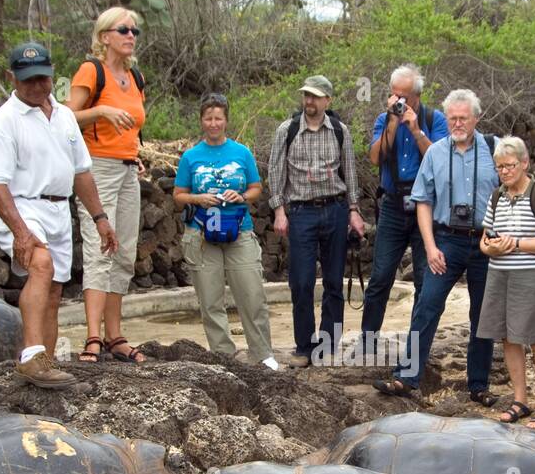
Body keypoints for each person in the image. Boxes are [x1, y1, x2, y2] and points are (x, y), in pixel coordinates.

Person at [0, 42, 117, 389]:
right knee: (40, 264)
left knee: (55, 289)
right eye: (28, 80)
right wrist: (20, 231)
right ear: (11, 77)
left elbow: (82, 172)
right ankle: (32, 356)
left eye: (43, 78)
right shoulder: (3, 123)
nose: (37, 86)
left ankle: (47, 365)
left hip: (58, 206)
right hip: (21, 203)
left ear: (53, 75)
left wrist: (100, 217)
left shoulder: (65, 116)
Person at [374, 89, 499, 405]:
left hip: (486, 241)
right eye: (453, 118)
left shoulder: (494, 149)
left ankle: (479, 384)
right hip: (446, 239)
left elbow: (511, 192)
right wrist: (430, 247)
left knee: (482, 315)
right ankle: (407, 377)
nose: (457, 123)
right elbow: (423, 202)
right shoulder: (434, 152)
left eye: (463, 118)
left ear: (476, 118)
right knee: (427, 305)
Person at [66, 7, 148, 363]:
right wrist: (99, 112)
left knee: (124, 252)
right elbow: (65, 117)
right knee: (101, 247)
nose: (131, 35)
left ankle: (116, 336)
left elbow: (132, 125)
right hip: (96, 168)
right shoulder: (91, 71)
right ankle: (93, 338)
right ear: (104, 37)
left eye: (135, 31)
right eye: (123, 29)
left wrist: (136, 152)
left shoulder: (137, 77)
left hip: (129, 169)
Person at [266, 75, 366, 367]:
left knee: (334, 280)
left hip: (334, 209)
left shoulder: (339, 130)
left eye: (315, 96)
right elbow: (275, 171)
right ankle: (304, 345)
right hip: (301, 213)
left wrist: (354, 210)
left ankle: (329, 343)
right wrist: (279, 210)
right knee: (301, 281)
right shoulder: (288, 129)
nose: (309, 101)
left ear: (327, 100)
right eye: (306, 95)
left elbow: (349, 172)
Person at [173, 93, 278, 370]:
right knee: (210, 300)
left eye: (218, 118)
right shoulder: (191, 156)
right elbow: (178, 194)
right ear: (201, 121)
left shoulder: (241, 153)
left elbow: (256, 189)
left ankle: (262, 354)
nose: (213, 123)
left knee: (252, 295)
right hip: (202, 232)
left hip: (238, 229)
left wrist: (241, 195)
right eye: (208, 118)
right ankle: (223, 356)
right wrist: (198, 199)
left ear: (226, 121)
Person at [477, 137, 535, 431]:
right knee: (508, 337)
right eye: (500, 167)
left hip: (531, 274)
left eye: (510, 165)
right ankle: (520, 399)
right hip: (500, 272)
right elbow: (485, 240)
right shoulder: (497, 197)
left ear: (525, 163)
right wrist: (492, 248)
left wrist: (517, 244)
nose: (504, 171)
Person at [360, 64, 448, 344]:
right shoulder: (383, 119)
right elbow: (375, 158)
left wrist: (415, 128)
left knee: (424, 279)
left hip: (428, 209)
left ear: (416, 96)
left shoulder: (436, 120)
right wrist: (393, 122)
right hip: (393, 205)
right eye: (393, 95)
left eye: (403, 97)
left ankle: (418, 344)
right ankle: (368, 339)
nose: (397, 101)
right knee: (380, 276)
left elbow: (441, 162)